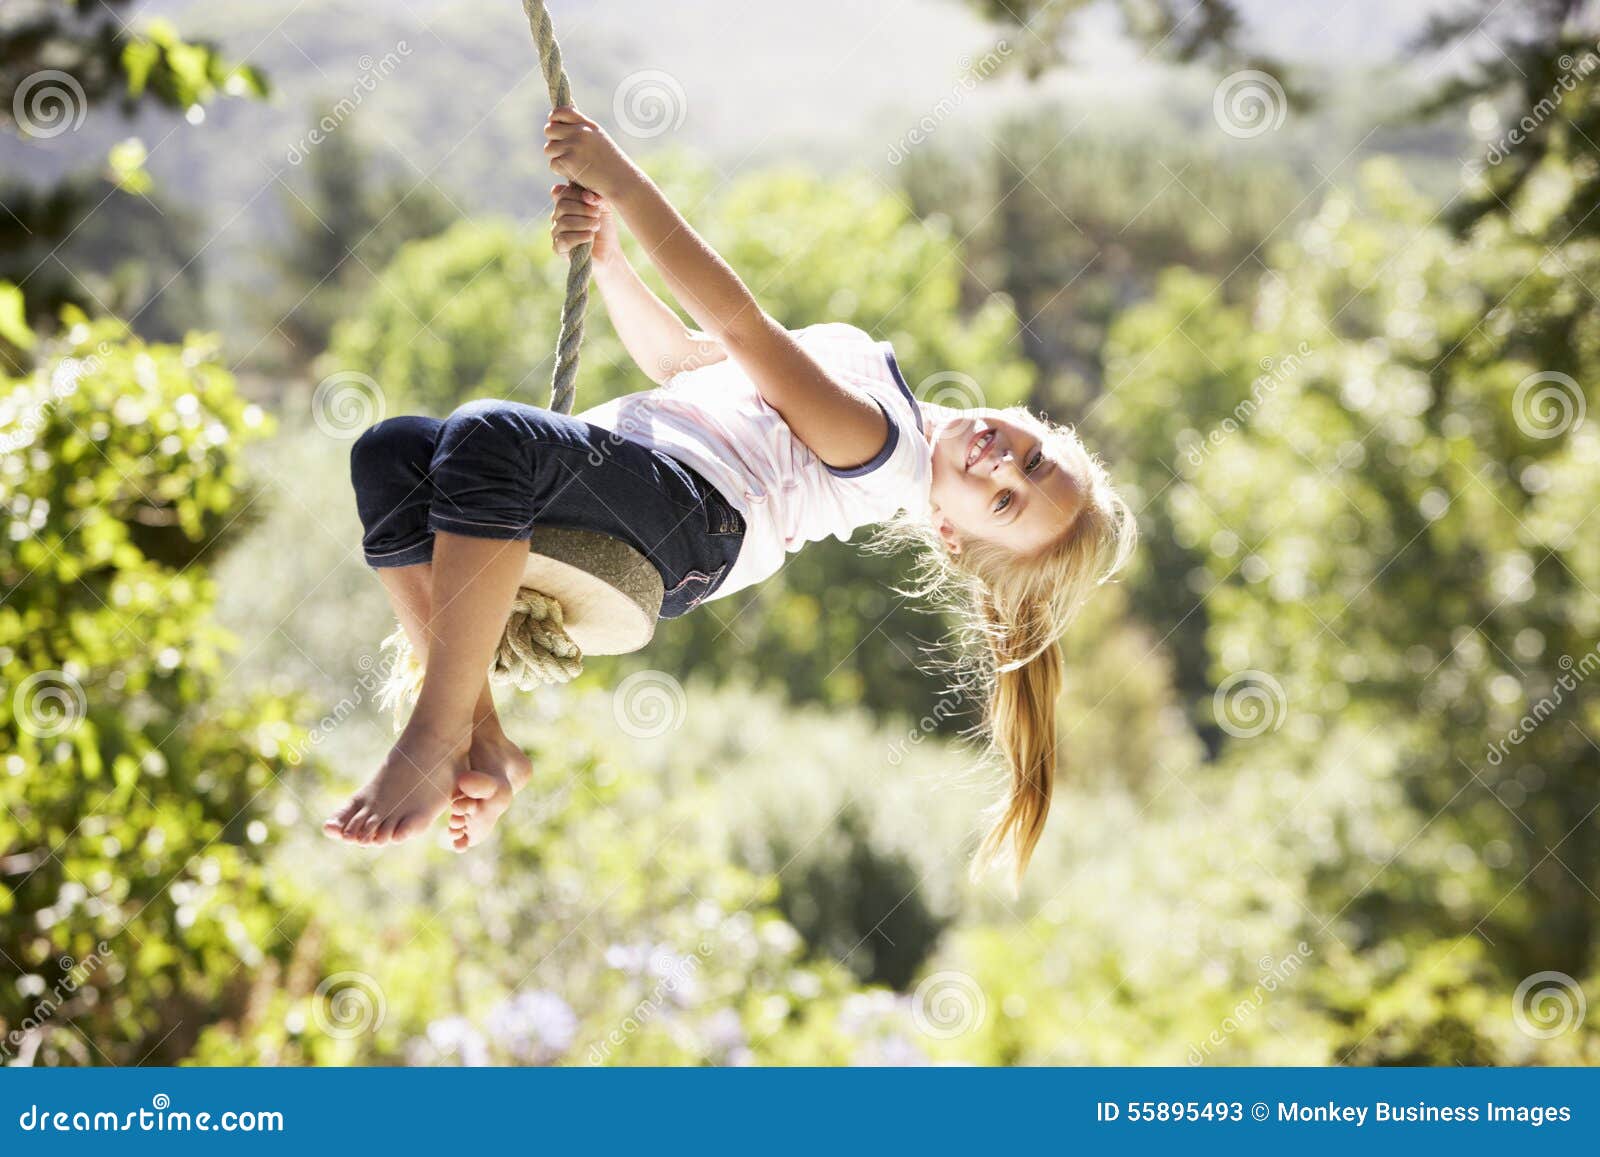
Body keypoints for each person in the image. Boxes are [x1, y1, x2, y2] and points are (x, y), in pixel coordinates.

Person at [326, 106, 1135, 884]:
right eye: (1034, 460)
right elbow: (684, 362)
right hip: (645, 472)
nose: (1003, 466)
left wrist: (625, 182)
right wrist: (610, 258)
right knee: (391, 453)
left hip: (691, 521)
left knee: (489, 436)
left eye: (1004, 503)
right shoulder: (875, 373)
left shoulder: (885, 453)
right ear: (1035, 422)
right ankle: (487, 743)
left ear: (950, 537)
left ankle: (435, 732)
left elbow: (744, 326)